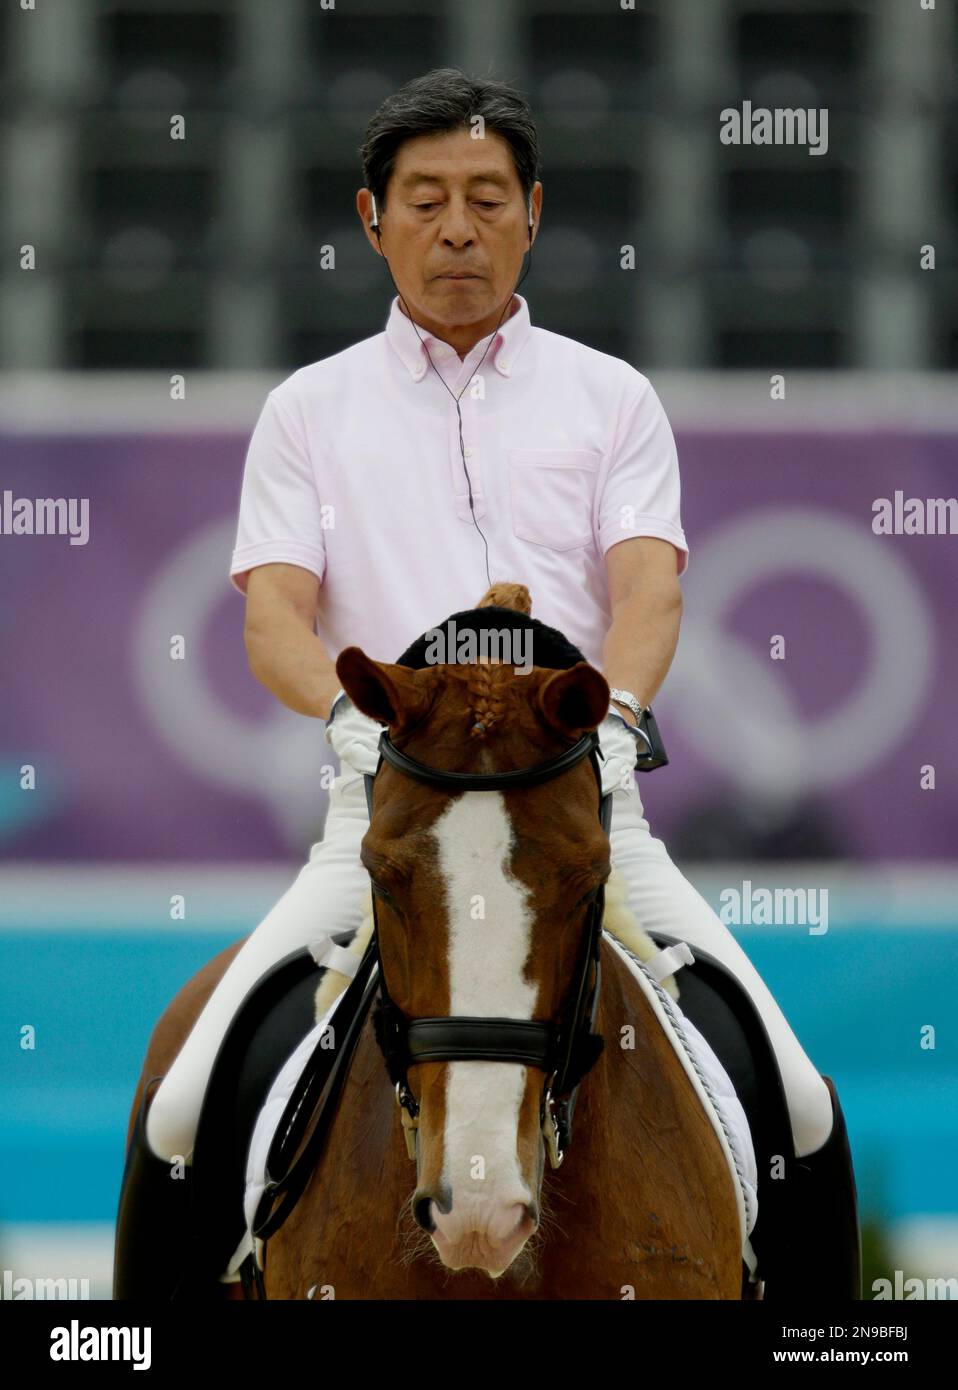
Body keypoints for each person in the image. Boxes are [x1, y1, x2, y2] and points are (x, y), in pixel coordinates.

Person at [112, 67, 860, 1300]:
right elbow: (275, 621)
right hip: (381, 830)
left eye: (482, 197)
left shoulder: (609, 397)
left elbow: (647, 593)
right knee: (184, 1101)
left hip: (585, 826)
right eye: (424, 199)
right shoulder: (309, 411)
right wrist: (363, 718)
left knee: (798, 1099)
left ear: (530, 213)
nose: (455, 226)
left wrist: (613, 714)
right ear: (371, 218)